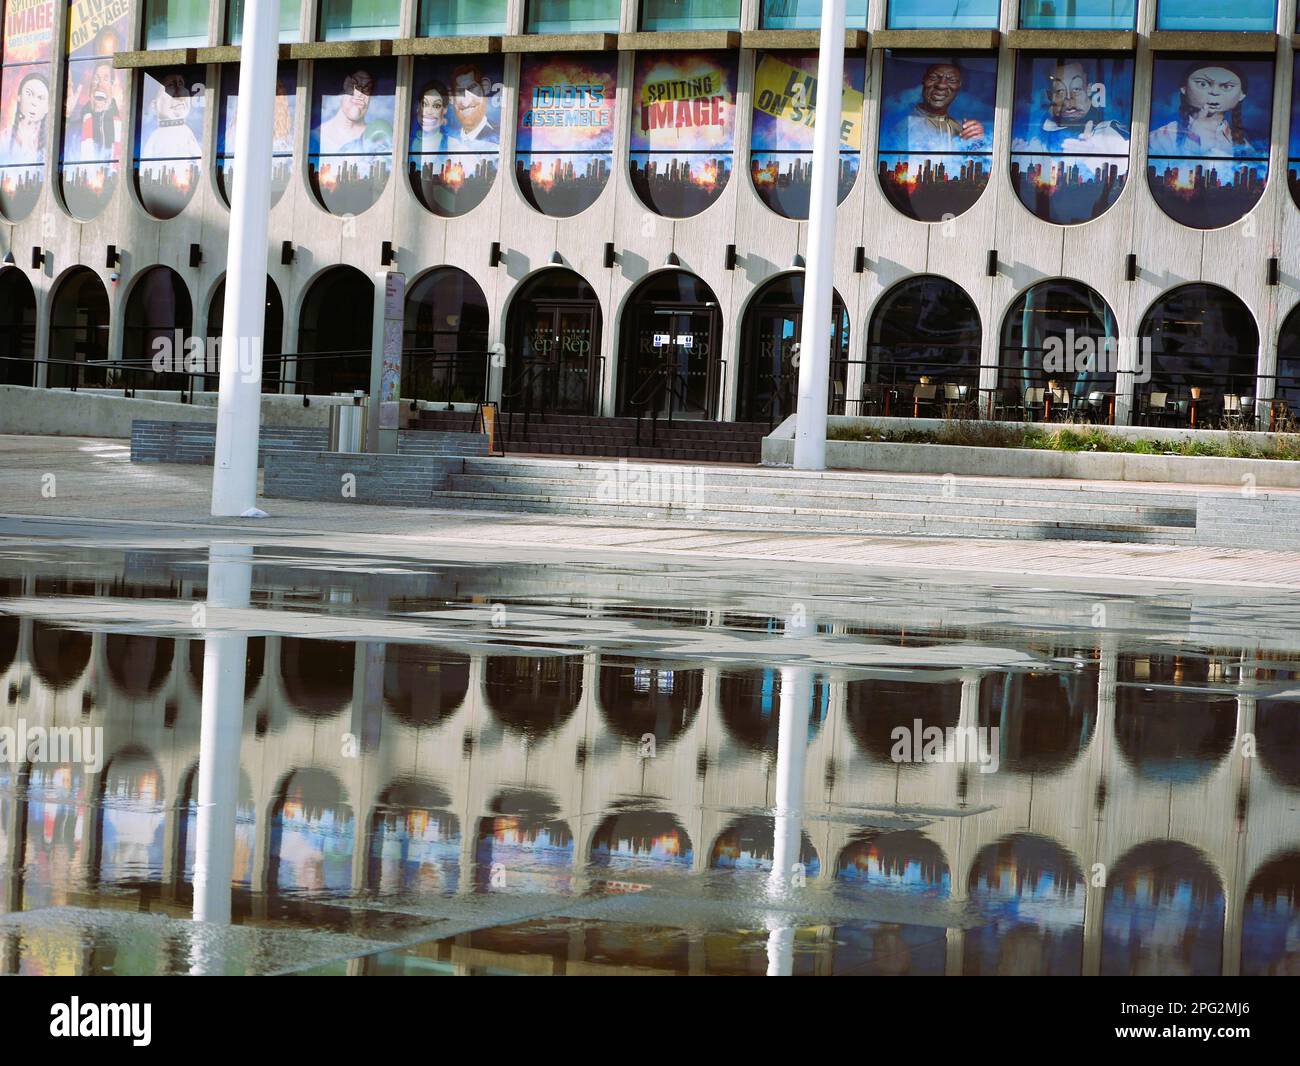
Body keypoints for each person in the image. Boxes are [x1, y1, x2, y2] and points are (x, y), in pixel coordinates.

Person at [1014, 59, 1129, 155]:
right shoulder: (1032, 129)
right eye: (1059, 91)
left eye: (1076, 89)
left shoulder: (1109, 131)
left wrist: (1095, 158)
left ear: (1089, 89)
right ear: (1050, 95)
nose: (1069, 99)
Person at [1148, 62, 1258, 158]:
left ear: (1242, 95)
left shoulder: (1242, 144)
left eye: (1226, 87)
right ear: (1184, 88)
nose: (1214, 92)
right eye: (1203, 84)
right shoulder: (1162, 137)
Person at [898, 62, 986, 151]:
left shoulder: (960, 128)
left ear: (959, 86)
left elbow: (972, 159)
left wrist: (976, 140)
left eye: (952, 80)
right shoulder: (903, 123)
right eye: (933, 78)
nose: (941, 85)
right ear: (924, 80)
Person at [316, 69, 387, 154]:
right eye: (354, 85)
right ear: (341, 91)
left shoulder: (378, 139)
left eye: (367, 88)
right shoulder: (316, 136)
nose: (360, 94)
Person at [140, 72, 201, 161]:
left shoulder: (186, 132)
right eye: (170, 85)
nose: (179, 92)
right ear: (154, 104)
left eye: (181, 83)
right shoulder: (157, 138)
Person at [4, 70, 48, 164]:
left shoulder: (49, 144)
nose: (34, 102)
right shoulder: (4, 137)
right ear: (19, 97)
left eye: (40, 98)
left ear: (47, 108)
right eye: (29, 94)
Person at [449, 63, 496, 143]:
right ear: (452, 99)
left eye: (472, 88)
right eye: (460, 92)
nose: (466, 102)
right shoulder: (449, 138)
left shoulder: (497, 137)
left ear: (485, 88)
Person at [410, 81, 451, 154]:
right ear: (418, 107)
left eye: (436, 106)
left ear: (445, 110)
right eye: (425, 104)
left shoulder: (453, 145)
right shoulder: (406, 142)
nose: (429, 111)